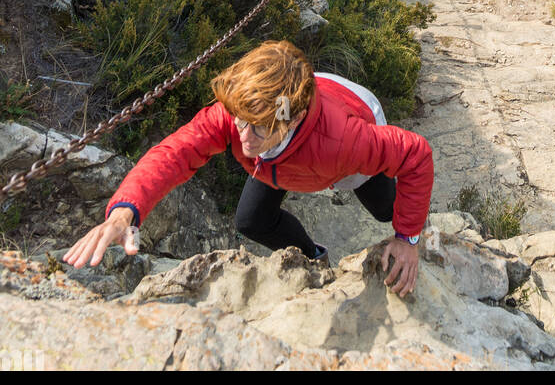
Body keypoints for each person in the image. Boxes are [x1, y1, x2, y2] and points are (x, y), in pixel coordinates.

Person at [63, 41, 433, 298]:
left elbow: (416, 155)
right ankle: (314, 258)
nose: (242, 137)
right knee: (251, 220)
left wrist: (407, 238)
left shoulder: (348, 142)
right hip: (286, 140)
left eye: (257, 127)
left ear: (292, 120)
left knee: (387, 209)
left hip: (350, 114)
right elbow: (174, 153)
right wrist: (125, 210)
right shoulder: (244, 114)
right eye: (239, 121)